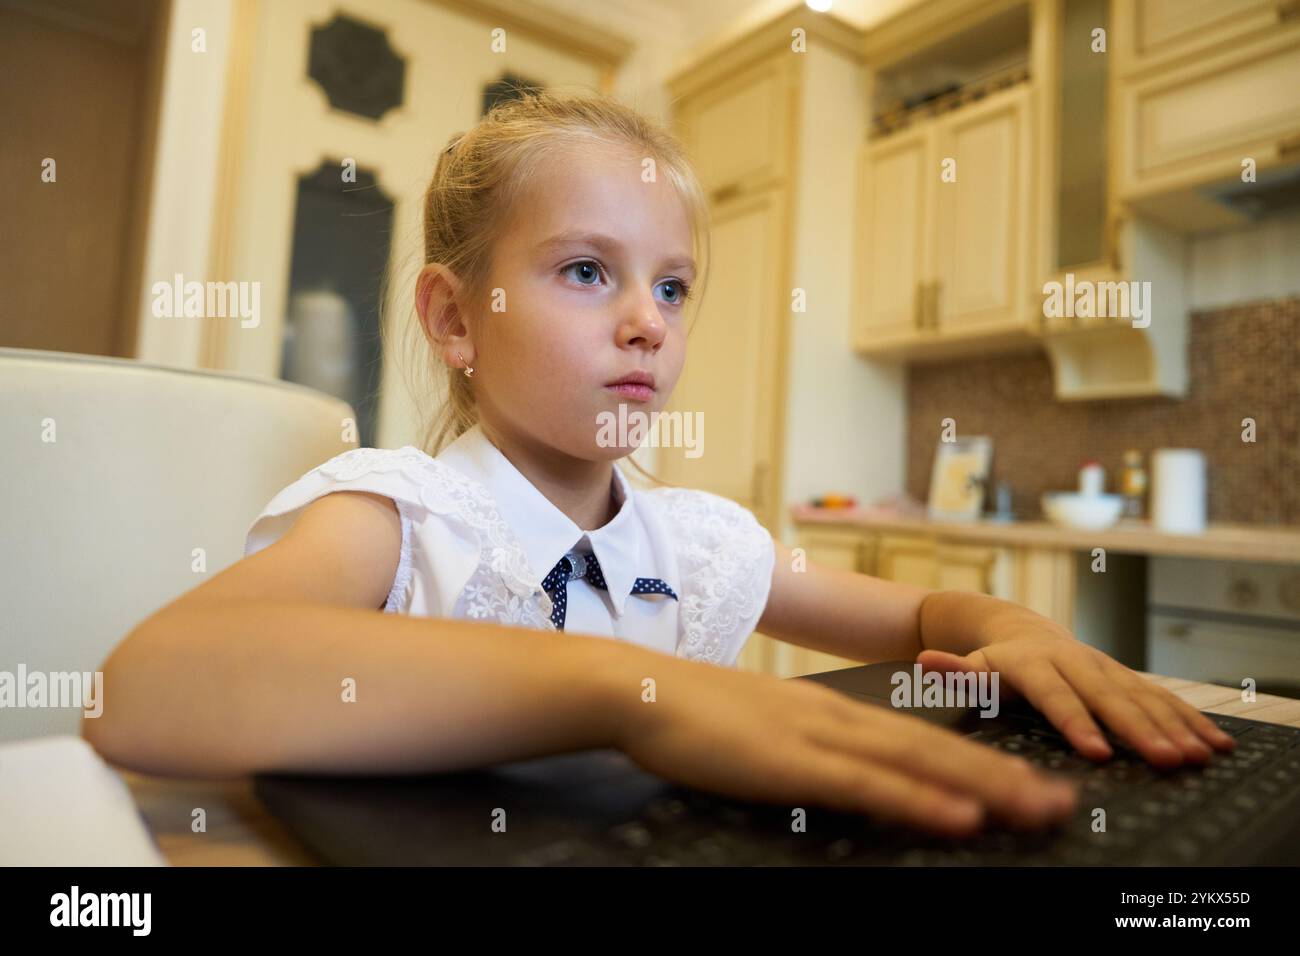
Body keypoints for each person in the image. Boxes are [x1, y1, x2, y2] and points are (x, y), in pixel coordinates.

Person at [84, 88, 1232, 839]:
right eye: (587, 270)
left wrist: (1003, 625)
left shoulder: (699, 542)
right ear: (455, 317)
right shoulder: (403, 516)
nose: (647, 321)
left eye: (672, 286)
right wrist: (632, 695)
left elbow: (923, 606)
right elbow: (145, 689)